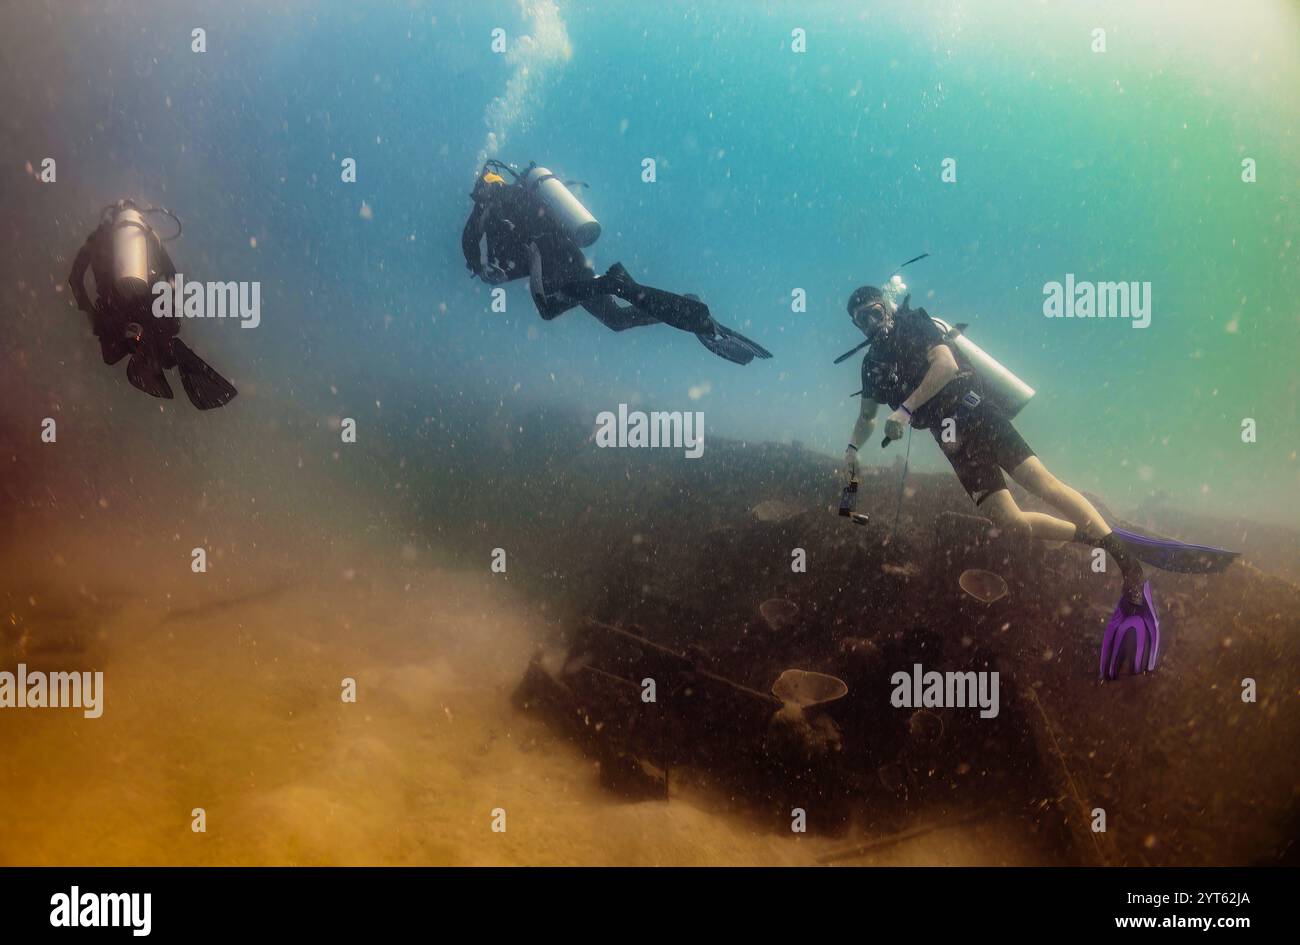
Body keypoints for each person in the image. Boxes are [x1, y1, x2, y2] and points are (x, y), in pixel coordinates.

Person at [839, 284, 1236, 680]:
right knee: (1010, 522)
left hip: (976, 413)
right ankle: (1104, 537)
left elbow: (944, 365)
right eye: (861, 320)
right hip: (952, 441)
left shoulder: (912, 325)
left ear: (887, 306)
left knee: (1042, 484)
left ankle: (1129, 567)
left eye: (874, 312)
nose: (870, 323)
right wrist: (853, 449)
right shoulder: (872, 364)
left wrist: (906, 411)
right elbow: (868, 417)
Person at [461, 161, 772, 365]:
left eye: (480, 194)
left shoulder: (498, 207)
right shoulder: (508, 202)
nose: (477, 200)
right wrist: (491, 270)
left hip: (556, 263)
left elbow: (500, 246)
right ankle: (686, 306)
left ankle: (615, 283)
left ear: (485, 187)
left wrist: (484, 269)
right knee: (617, 320)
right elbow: (490, 248)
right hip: (571, 263)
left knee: (547, 309)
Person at [68, 199, 237, 409]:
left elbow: (75, 279)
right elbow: (172, 275)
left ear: (111, 216)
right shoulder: (146, 234)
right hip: (146, 302)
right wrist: (166, 309)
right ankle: (159, 346)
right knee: (163, 344)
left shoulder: (95, 238)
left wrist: (93, 317)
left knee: (111, 355)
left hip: (113, 306)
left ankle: (138, 340)